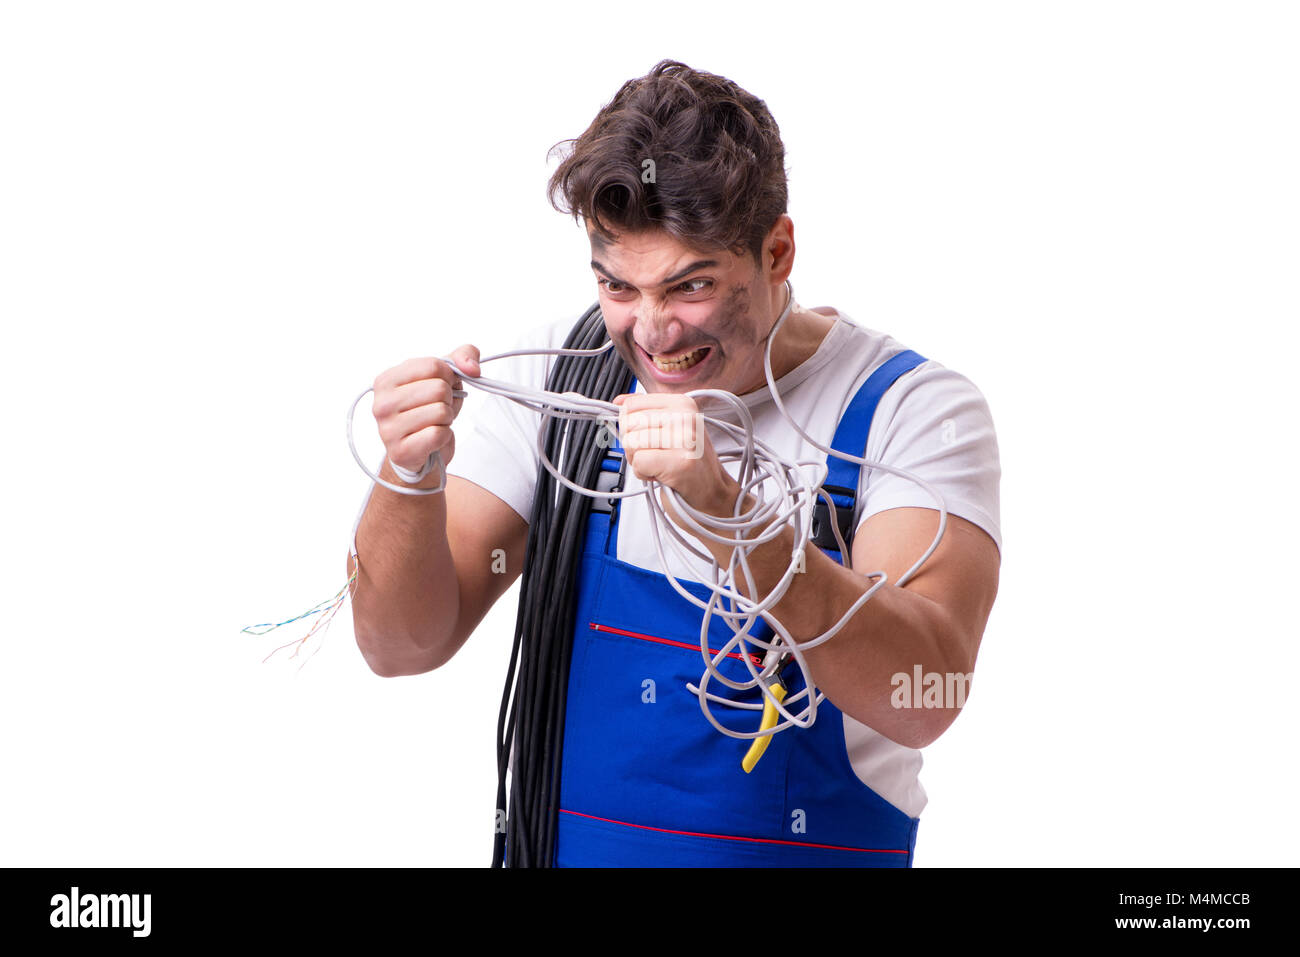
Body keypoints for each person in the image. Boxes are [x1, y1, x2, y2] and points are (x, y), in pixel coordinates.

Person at [348, 60, 1001, 866]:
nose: (652, 333)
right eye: (618, 287)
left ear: (777, 251)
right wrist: (410, 478)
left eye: (690, 285)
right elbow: (400, 645)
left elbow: (923, 694)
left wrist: (732, 519)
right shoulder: (560, 376)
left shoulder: (910, 411)